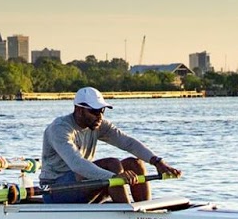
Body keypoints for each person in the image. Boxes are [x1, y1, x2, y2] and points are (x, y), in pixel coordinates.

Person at [40, 87, 180, 203]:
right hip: (55, 191)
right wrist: (113, 178)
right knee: (112, 164)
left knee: (134, 164)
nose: (99, 116)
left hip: (81, 185)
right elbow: (77, 164)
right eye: (94, 111)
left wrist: (157, 162)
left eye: (102, 110)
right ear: (79, 110)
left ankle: (144, 212)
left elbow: (128, 143)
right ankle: (127, 214)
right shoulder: (59, 129)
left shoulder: (98, 124)